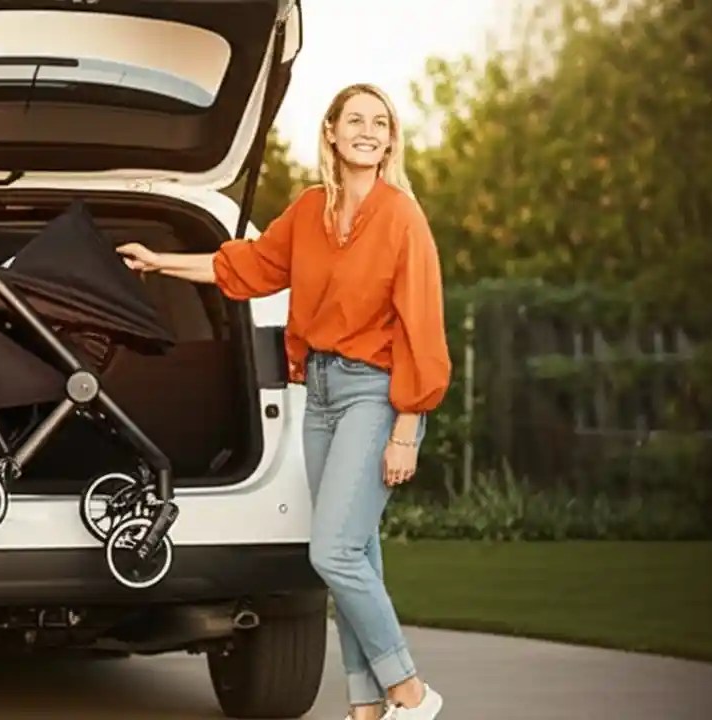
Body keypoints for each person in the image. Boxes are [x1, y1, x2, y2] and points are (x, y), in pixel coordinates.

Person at [117, 83, 452, 720]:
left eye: (379, 122)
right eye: (354, 119)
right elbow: (245, 267)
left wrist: (408, 427)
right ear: (330, 132)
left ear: (389, 140)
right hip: (319, 392)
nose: (367, 130)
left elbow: (424, 330)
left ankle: (410, 692)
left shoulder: (402, 217)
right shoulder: (309, 213)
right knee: (357, 555)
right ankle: (366, 708)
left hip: (376, 395)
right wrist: (160, 262)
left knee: (330, 552)